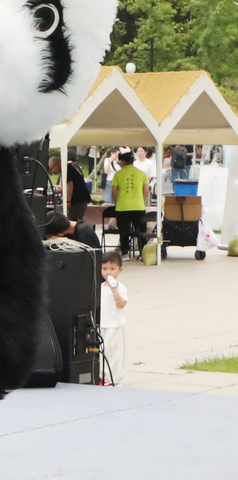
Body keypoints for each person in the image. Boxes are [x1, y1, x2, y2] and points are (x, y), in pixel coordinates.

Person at [111, 152, 149, 258]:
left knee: (124, 231)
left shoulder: (118, 174)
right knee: (141, 231)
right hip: (139, 206)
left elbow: (114, 191)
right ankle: (143, 252)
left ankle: (125, 253)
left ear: (123, 161)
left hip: (122, 207)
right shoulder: (141, 174)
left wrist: (116, 203)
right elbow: (146, 190)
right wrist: (141, 199)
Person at [99, 250, 127, 385]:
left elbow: (121, 304)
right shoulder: (99, 287)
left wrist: (115, 291)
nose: (108, 272)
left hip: (113, 326)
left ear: (119, 270)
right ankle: (101, 377)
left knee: (114, 354)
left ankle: (113, 379)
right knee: (100, 354)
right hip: (101, 325)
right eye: (104, 269)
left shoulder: (120, 288)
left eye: (112, 269)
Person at [49, 156, 90, 222]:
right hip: (81, 199)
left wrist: (68, 201)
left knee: (73, 220)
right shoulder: (70, 167)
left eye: (53, 167)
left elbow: (70, 185)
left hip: (78, 200)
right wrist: (58, 191)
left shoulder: (67, 169)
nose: (53, 170)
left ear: (58, 163)